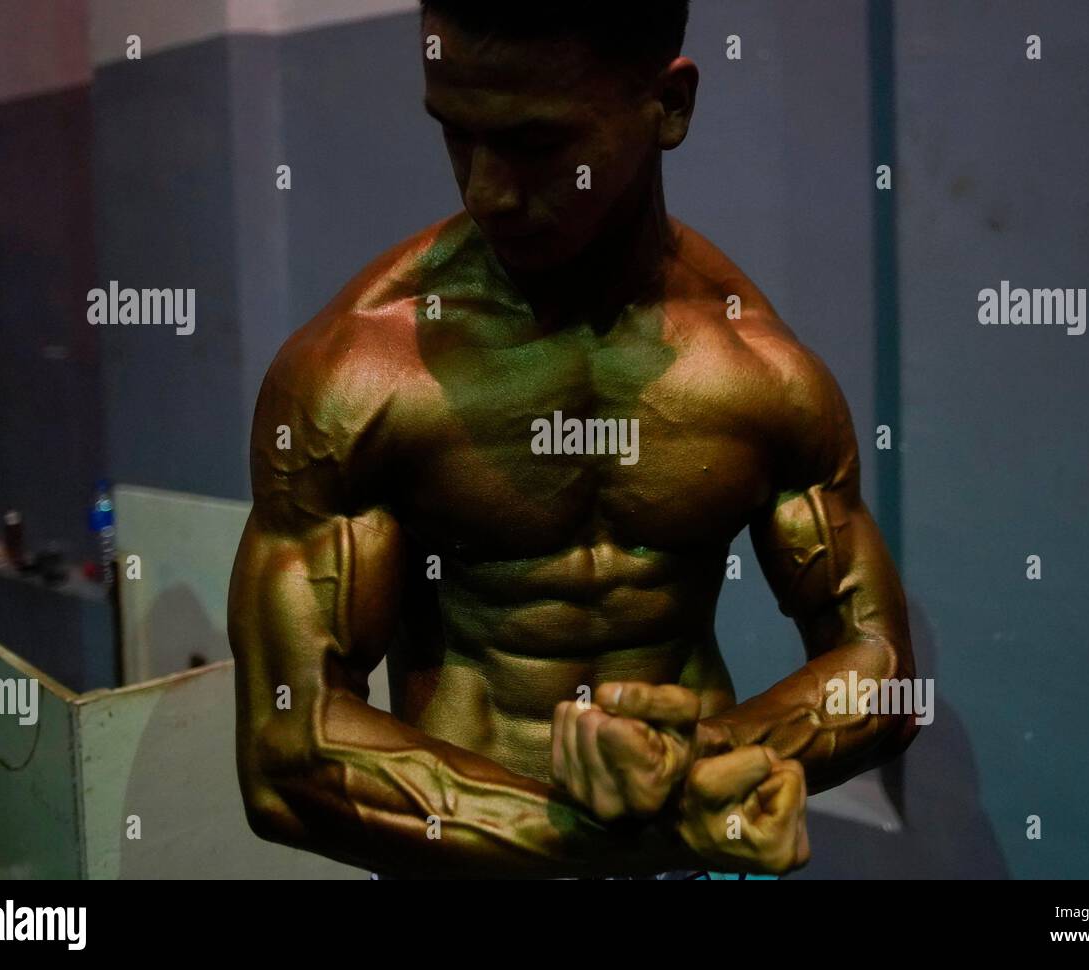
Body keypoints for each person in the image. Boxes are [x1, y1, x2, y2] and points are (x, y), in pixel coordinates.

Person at [228, 0, 918, 878]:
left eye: (535, 144)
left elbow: (883, 672)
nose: (483, 190)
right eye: (455, 134)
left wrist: (703, 762)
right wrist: (611, 832)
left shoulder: (762, 373)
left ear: (668, 107)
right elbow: (285, 754)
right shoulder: (358, 376)